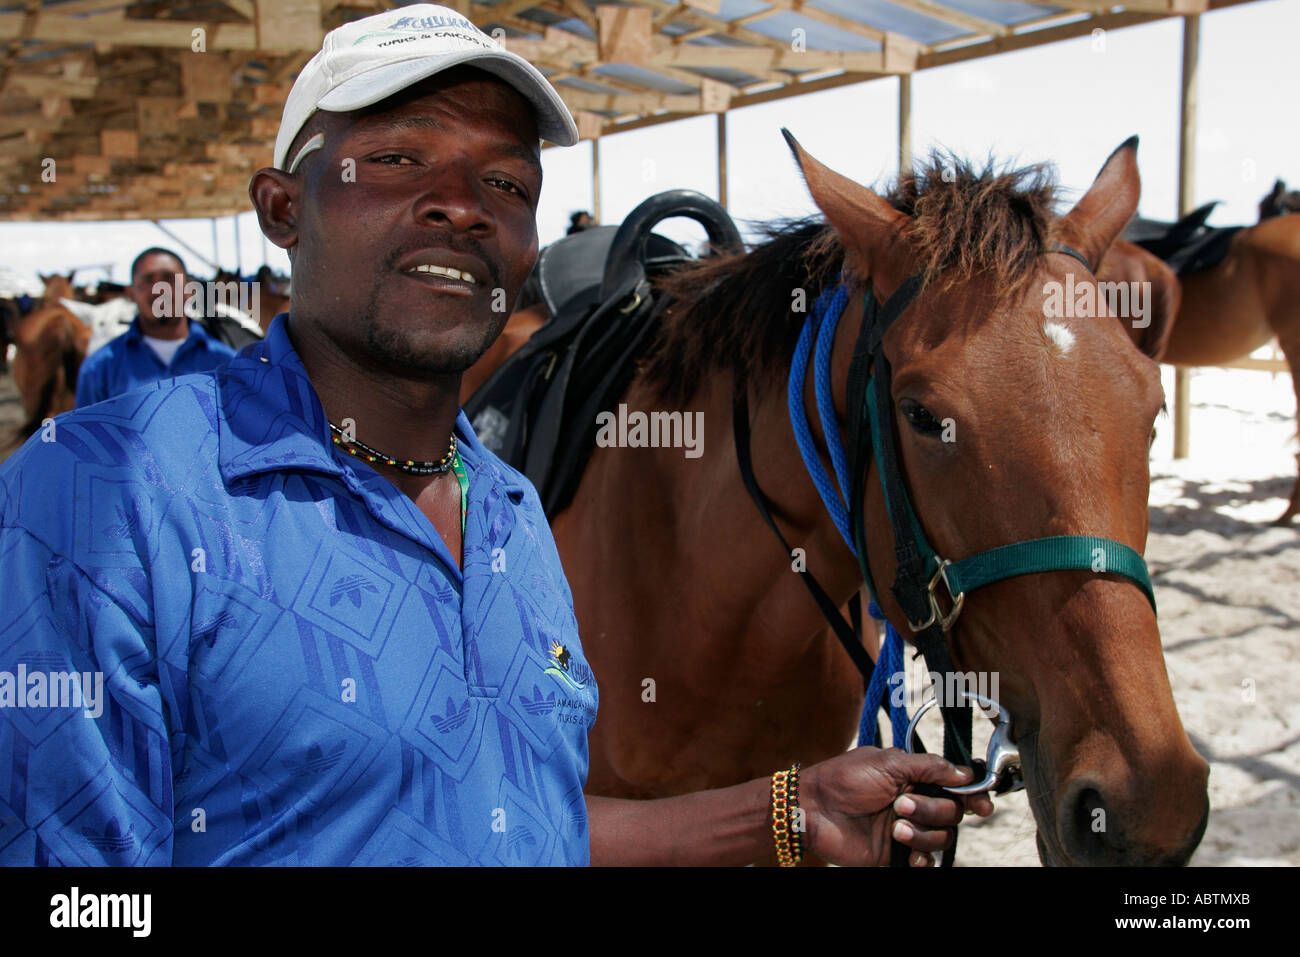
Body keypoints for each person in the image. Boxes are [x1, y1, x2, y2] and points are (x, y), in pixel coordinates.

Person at [0, 5, 989, 867]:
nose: (463, 205)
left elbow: (511, 827)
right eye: (394, 159)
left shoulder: (514, 516)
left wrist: (787, 812)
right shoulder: (100, 495)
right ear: (281, 209)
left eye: (507, 186)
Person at [74, 247, 237, 407]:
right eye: (147, 280)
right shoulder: (99, 369)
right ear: (131, 293)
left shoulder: (226, 363)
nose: (159, 290)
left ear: (190, 290)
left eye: (169, 279)